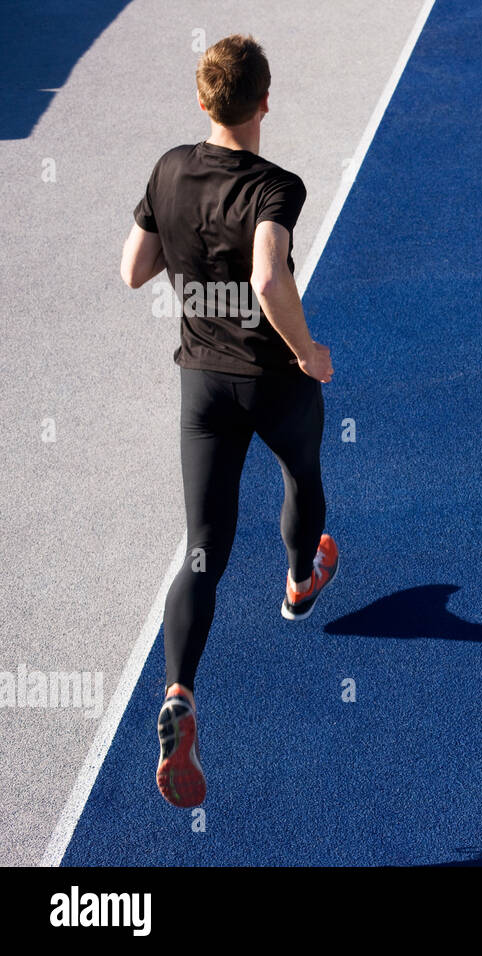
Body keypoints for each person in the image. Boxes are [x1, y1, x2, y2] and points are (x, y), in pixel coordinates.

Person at [119, 34, 339, 808]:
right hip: (272, 383)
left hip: (203, 388)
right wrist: (307, 350)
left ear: (203, 100)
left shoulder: (169, 169)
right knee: (302, 476)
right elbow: (269, 273)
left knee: (205, 548)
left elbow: (133, 269)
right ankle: (300, 580)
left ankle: (180, 690)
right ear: (265, 101)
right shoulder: (276, 186)